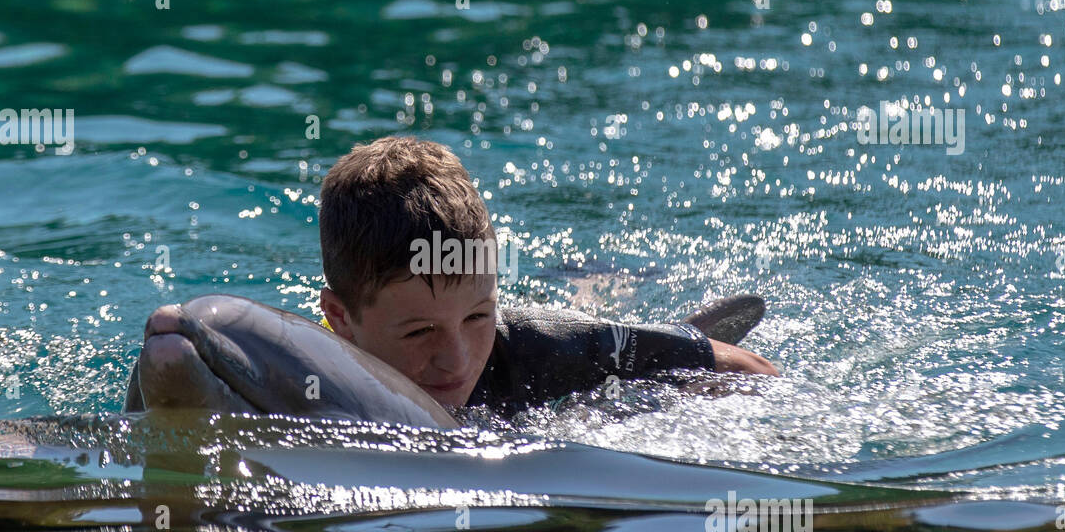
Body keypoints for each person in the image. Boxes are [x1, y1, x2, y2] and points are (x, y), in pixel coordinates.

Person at [317, 136, 778, 419]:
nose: (456, 361)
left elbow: (755, 370)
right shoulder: (305, 377)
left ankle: (604, 291)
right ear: (341, 318)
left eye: (478, 317)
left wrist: (683, 386)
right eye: (420, 331)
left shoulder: (534, 346)